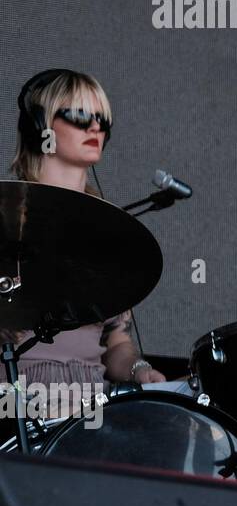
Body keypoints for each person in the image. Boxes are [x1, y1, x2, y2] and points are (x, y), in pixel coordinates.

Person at [3, 69, 165, 423]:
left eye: (102, 119)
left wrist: (138, 369)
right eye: (79, 116)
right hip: (16, 406)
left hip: (91, 408)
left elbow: (117, 344)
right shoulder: (6, 219)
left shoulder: (108, 233)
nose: (95, 128)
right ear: (40, 126)